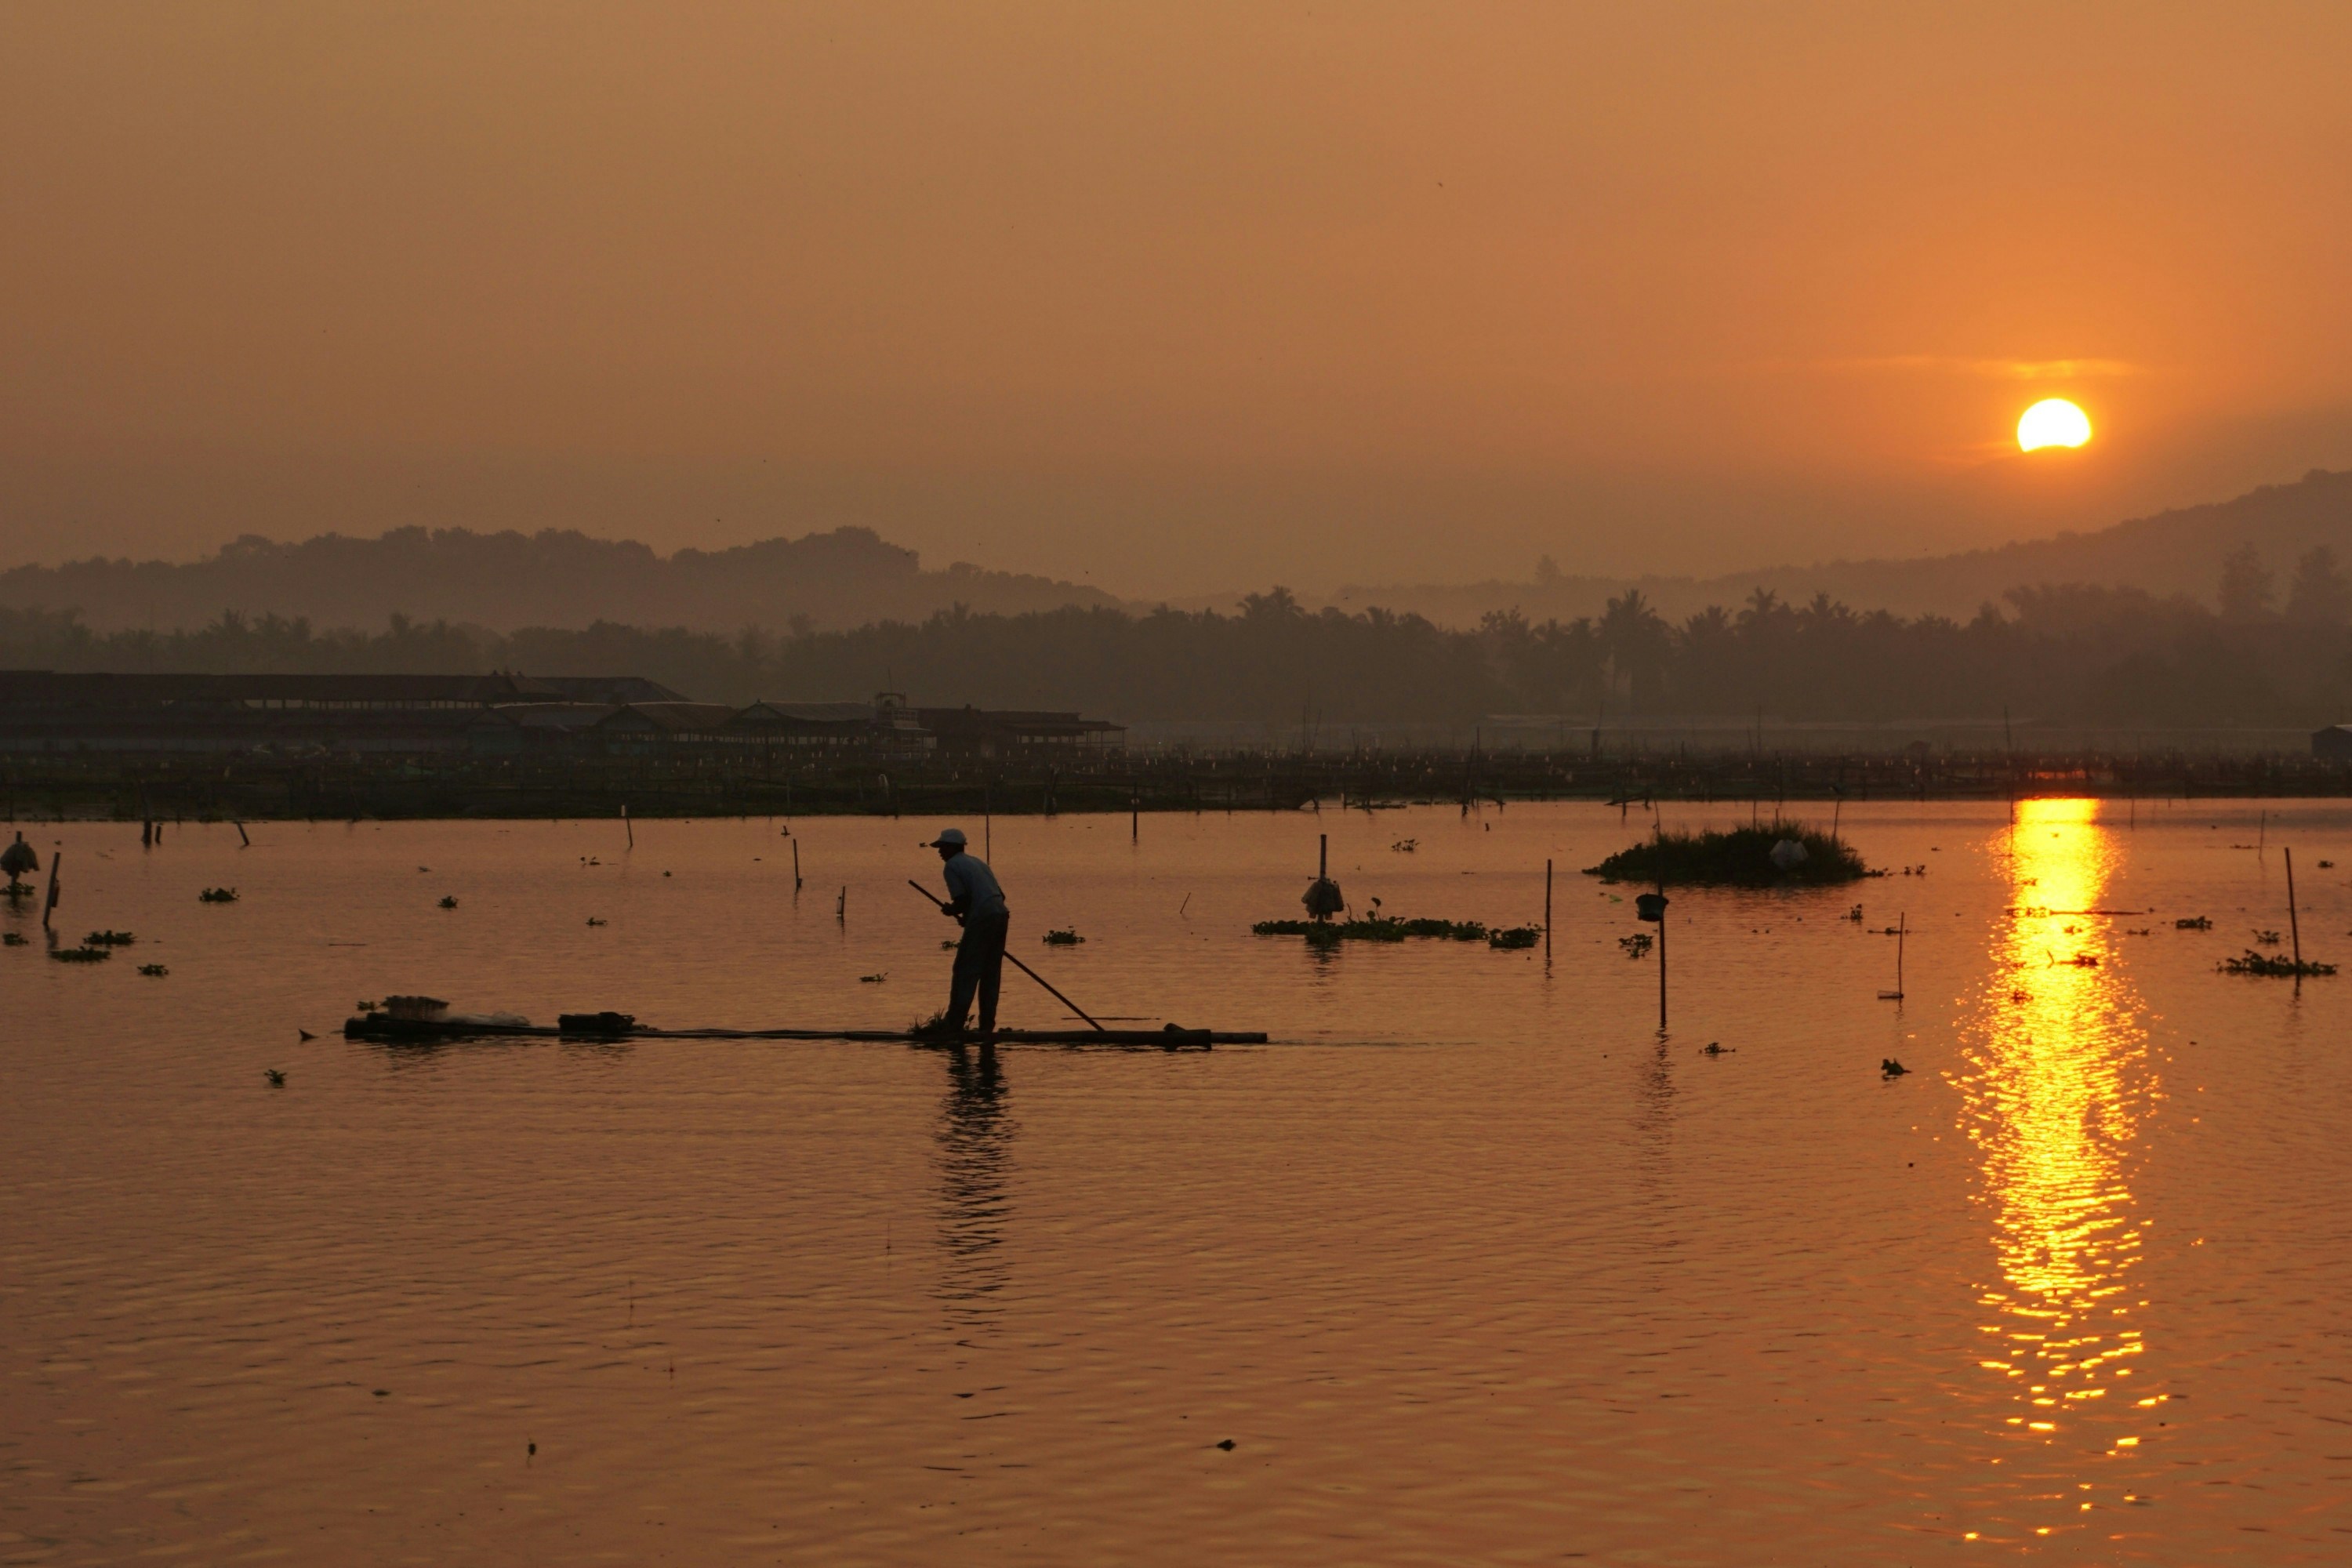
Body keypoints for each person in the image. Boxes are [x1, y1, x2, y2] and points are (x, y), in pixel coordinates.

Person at [928, 828, 1009, 1034]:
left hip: (984, 918)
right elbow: (1000, 896)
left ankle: (954, 1025)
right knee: (990, 973)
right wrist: (969, 916)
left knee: (965, 970)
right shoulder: (978, 863)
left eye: (943, 847)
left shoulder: (952, 866)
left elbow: (962, 901)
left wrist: (952, 910)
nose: (940, 852)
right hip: (1000, 916)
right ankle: (986, 1027)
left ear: (953, 847)